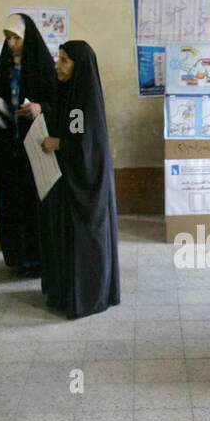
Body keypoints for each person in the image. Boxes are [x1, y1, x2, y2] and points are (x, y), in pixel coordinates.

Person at [39, 40, 120, 319]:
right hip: (73, 181)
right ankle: (66, 292)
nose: (57, 66)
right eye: (58, 59)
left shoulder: (83, 102)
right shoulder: (71, 95)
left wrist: (57, 144)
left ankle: (87, 296)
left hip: (87, 183)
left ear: (79, 66)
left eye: (64, 61)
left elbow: (83, 143)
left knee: (85, 238)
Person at [0, 14, 57, 277]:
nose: (12, 43)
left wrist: (40, 108)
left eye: (16, 38)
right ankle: (19, 258)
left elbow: (58, 103)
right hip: (12, 150)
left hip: (36, 149)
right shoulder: (5, 69)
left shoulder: (44, 67)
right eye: (8, 38)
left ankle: (40, 259)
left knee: (35, 205)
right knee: (14, 203)